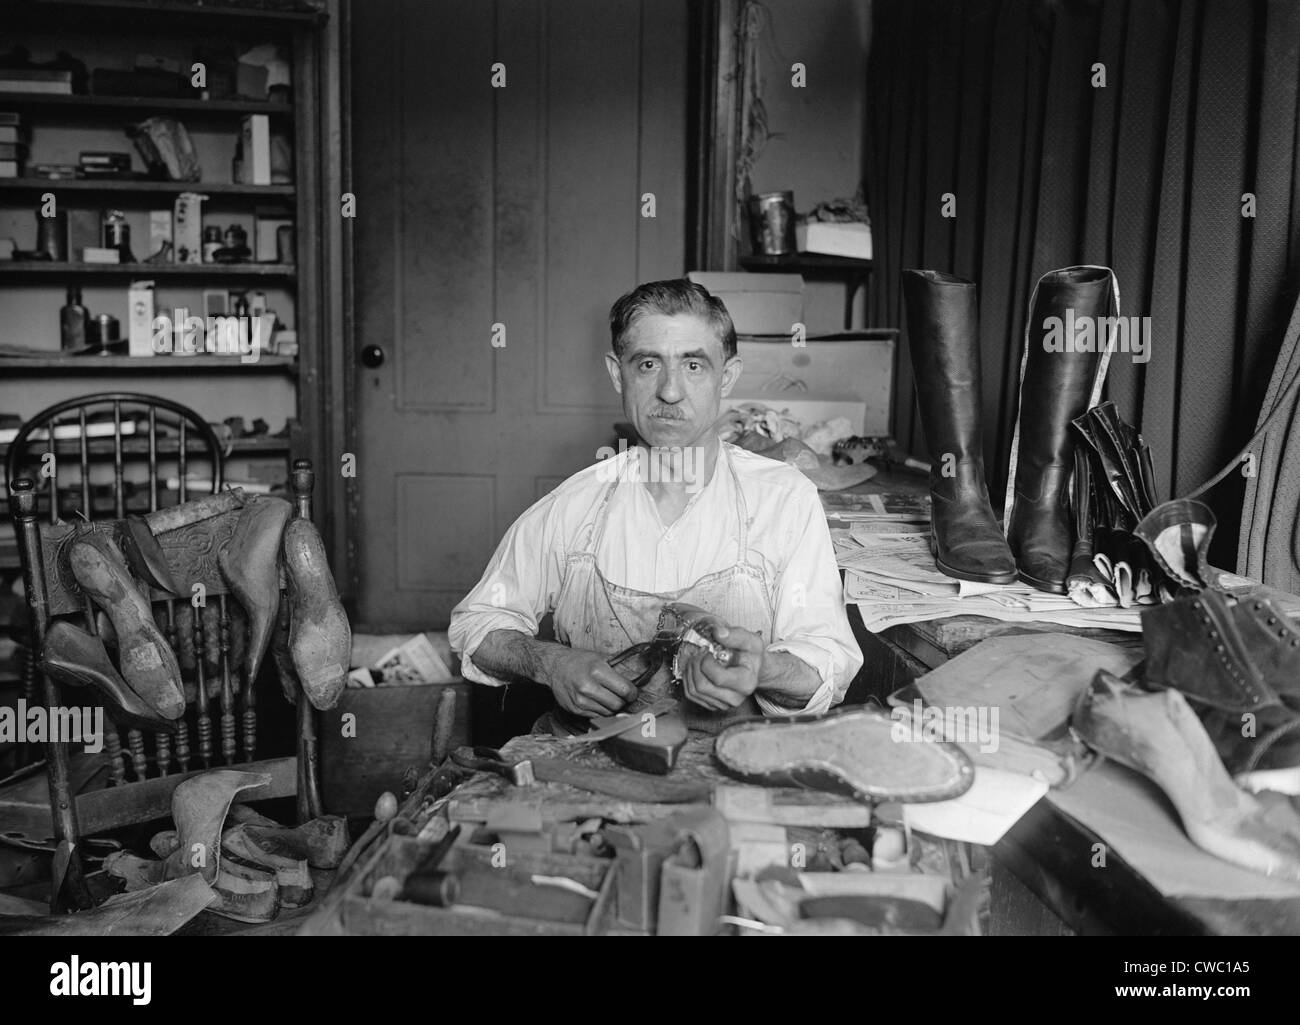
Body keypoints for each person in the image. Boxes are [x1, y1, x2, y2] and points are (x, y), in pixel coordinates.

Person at [448, 278, 862, 729]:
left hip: (730, 765)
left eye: (693, 366)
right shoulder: (577, 503)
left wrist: (761, 668)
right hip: (589, 760)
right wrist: (551, 663)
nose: (669, 391)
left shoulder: (783, 500)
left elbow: (828, 665)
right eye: (648, 364)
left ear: (727, 376)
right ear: (616, 373)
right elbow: (477, 625)